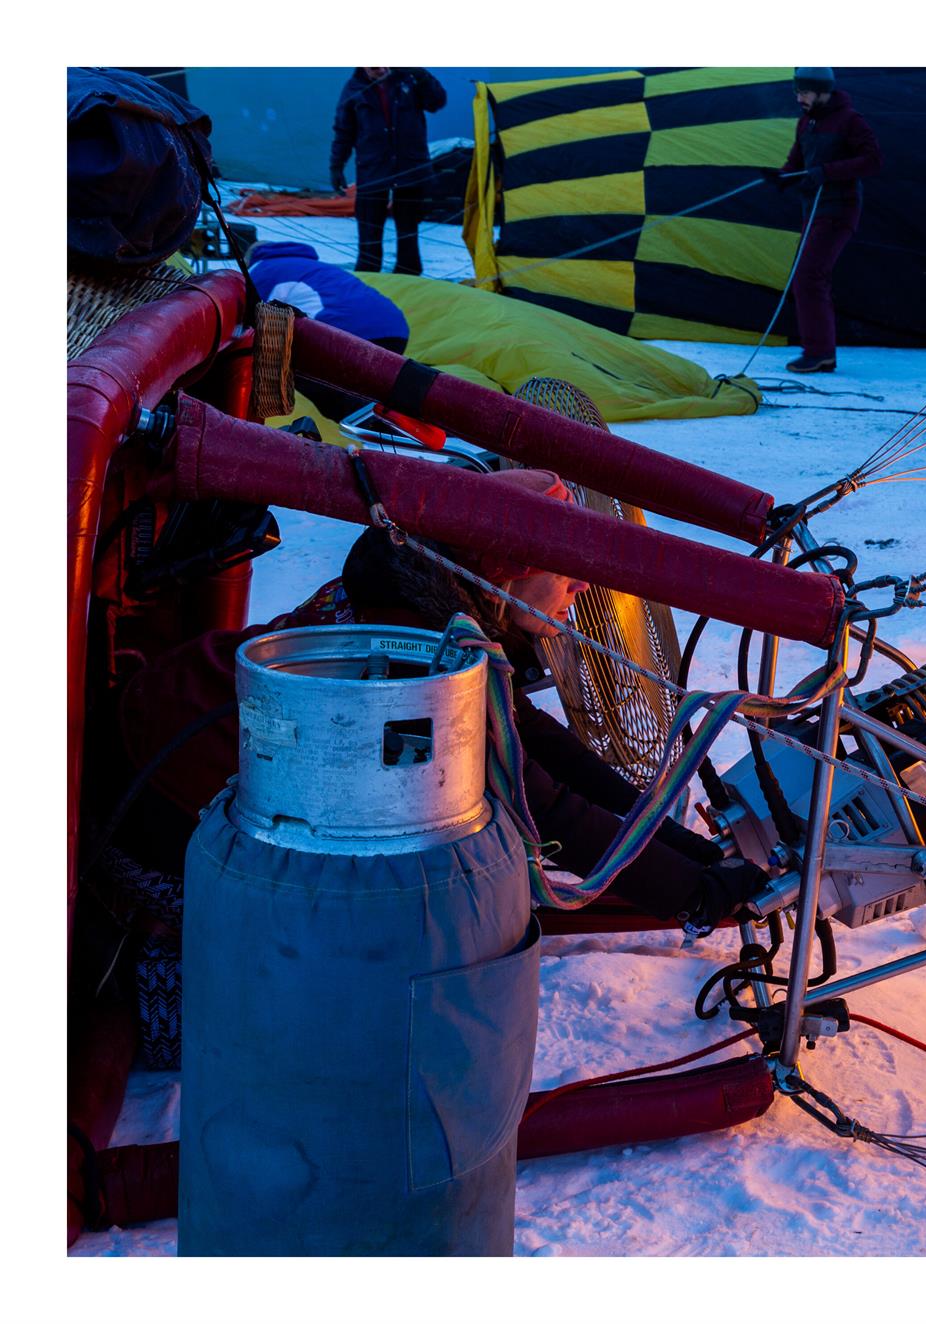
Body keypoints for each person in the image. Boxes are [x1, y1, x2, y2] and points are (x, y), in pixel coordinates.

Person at [110, 468, 768, 934]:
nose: (581, 589)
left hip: (176, 730)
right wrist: (693, 894)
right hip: (174, 805)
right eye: (565, 570)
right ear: (505, 571)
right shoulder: (419, 653)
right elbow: (530, 799)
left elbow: (531, 740)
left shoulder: (440, 610)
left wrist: (685, 849)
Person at [762, 68, 881, 374]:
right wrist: (782, 177)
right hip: (813, 210)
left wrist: (827, 172)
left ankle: (819, 352)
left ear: (821, 91)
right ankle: (821, 352)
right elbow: (796, 162)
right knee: (809, 277)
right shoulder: (806, 122)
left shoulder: (849, 121)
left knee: (808, 277)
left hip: (839, 210)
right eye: (797, 92)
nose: (798, 98)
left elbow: (872, 160)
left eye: (803, 92)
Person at [246, 239, 410, 421]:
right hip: (395, 329)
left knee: (306, 378)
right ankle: (415, 416)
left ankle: (373, 425)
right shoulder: (316, 266)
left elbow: (248, 320)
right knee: (375, 386)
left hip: (343, 333)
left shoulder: (260, 270)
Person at [329, 66, 447, 276]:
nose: (378, 68)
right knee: (369, 230)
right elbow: (343, 131)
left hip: (410, 168)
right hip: (372, 169)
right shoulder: (353, 89)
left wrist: (420, 72)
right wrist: (336, 166)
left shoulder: (410, 79)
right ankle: (368, 275)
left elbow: (437, 102)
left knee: (408, 229)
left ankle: (409, 274)